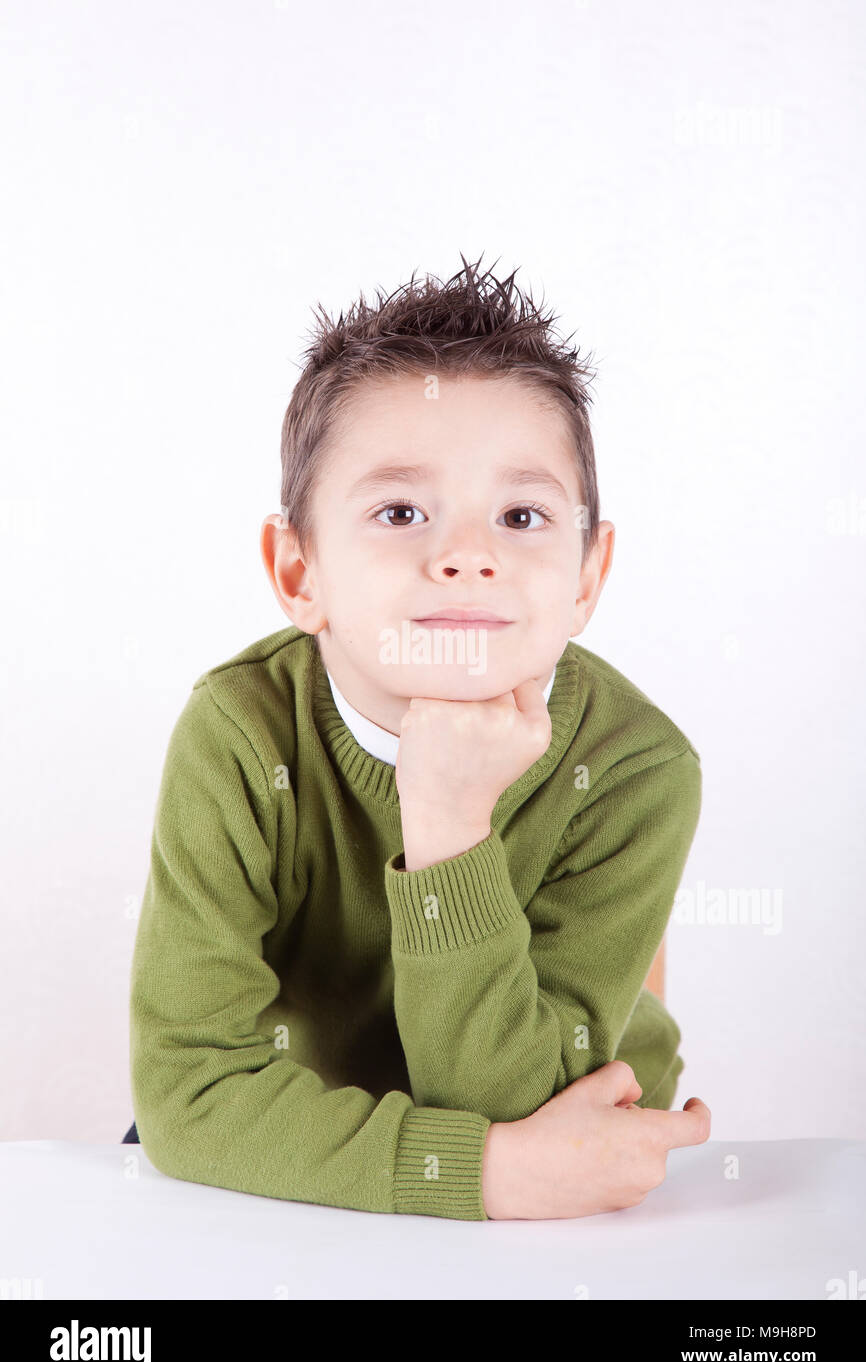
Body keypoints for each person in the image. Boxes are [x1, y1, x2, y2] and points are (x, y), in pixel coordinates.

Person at [128, 252, 710, 1220]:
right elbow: (187, 1098)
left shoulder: (635, 766)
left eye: (520, 515)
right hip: (289, 1175)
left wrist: (448, 822)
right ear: (297, 571)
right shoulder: (237, 733)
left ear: (584, 577)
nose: (466, 558)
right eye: (400, 511)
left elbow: (526, 1108)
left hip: (564, 1210)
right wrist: (487, 1172)